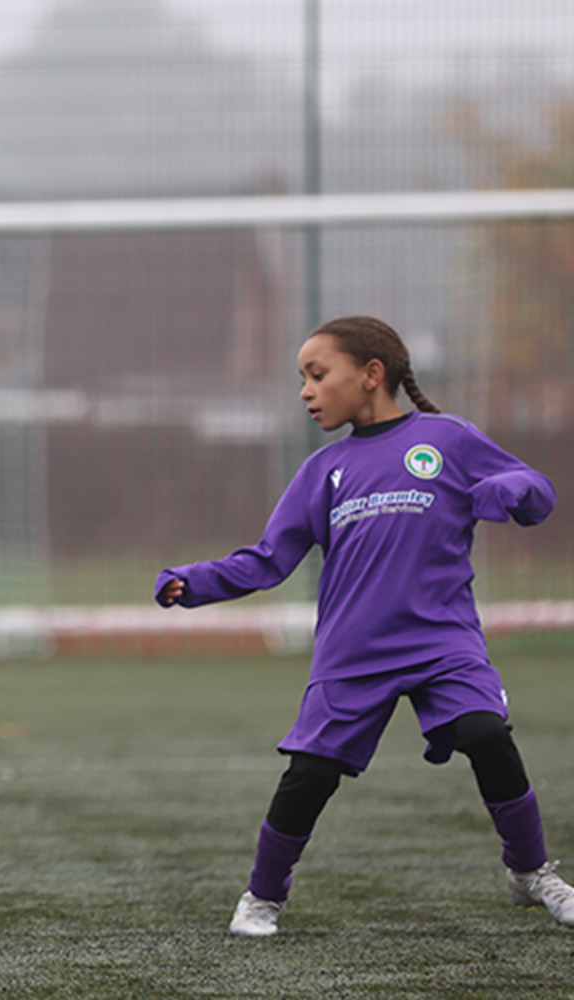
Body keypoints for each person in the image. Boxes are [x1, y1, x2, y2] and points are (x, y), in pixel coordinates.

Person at [155, 315, 571, 937]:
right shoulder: (323, 472)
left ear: (371, 374)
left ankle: (531, 872)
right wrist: (197, 583)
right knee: (311, 775)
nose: (306, 391)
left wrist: (512, 486)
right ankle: (261, 897)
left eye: (317, 375)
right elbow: (268, 560)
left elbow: (535, 490)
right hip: (353, 651)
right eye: (303, 379)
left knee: (487, 733)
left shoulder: (448, 440)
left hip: (443, 641)